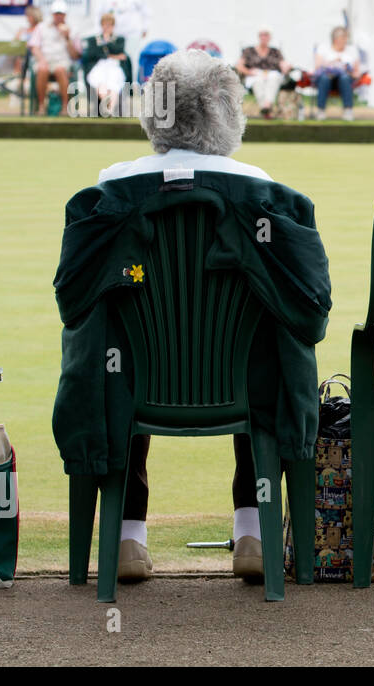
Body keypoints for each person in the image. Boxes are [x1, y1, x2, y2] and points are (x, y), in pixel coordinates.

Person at [65, 49, 330, 582]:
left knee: (119, 341)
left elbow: (74, 303)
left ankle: (126, 538)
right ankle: (254, 529)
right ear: (230, 111)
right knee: (259, 336)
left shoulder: (109, 188)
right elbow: (312, 312)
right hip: (245, 380)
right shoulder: (264, 190)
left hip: (131, 381)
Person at [28, 0, 82, 115]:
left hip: (62, 61)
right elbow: (34, 47)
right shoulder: (41, 27)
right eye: (56, 13)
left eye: (61, 14)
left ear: (65, 15)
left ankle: (65, 107)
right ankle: (41, 106)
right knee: (42, 69)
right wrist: (42, 60)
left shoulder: (72, 29)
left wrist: (67, 38)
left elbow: (76, 55)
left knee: (60, 70)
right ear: (52, 14)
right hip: (44, 59)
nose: (58, 16)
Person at [95, 0, 151, 72]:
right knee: (114, 59)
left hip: (132, 33)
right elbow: (99, 13)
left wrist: (145, 27)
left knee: (131, 59)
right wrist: (99, 30)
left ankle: (131, 85)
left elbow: (146, 11)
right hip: (115, 35)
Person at [81, 12, 131, 117]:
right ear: (101, 25)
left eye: (110, 25)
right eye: (105, 24)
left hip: (114, 67)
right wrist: (113, 55)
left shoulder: (119, 39)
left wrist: (106, 45)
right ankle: (106, 108)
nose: (107, 27)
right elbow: (92, 54)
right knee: (101, 84)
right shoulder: (93, 40)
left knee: (113, 85)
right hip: (99, 67)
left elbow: (119, 50)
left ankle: (110, 110)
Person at [235, 29, 292, 119]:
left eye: (266, 35)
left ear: (270, 37)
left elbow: (283, 64)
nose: (263, 37)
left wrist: (287, 67)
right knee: (258, 81)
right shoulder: (249, 50)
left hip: (272, 74)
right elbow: (239, 66)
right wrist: (249, 72)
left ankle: (266, 106)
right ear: (259, 36)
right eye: (262, 35)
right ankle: (266, 109)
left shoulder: (275, 51)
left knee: (273, 79)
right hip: (254, 75)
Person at [311, 26, 361, 120]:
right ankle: (321, 110)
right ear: (336, 39)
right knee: (324, 78)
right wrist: (332, 63)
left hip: (345, 79)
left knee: (344, 78)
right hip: (326, 78)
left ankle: (348, 110)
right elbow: (317, 66)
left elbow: (357, 71)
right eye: (344, 38)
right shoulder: (323, 48)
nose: (346, 41)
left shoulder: (352, 50)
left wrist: (348, 70)